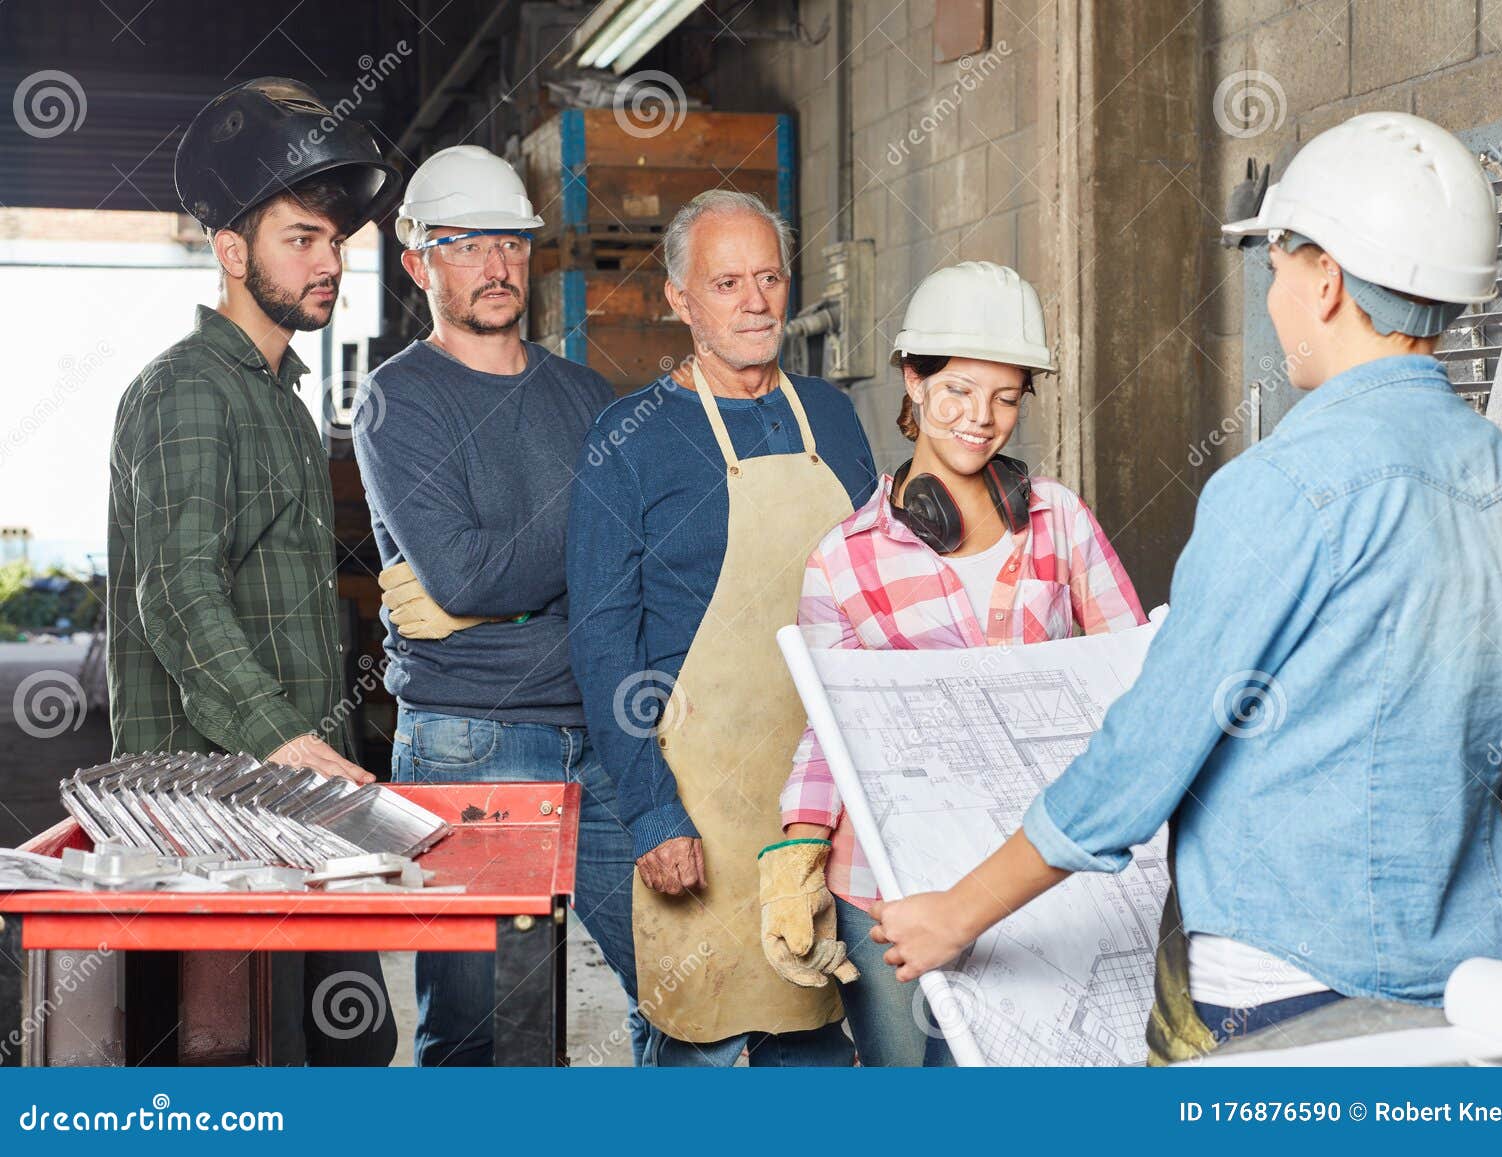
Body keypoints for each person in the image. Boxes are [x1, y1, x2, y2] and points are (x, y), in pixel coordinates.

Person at [869, 112, 1502, 1062]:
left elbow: (1143, 760)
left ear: (1326, 281)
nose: (1272, 294)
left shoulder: (1282, 484)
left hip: (1278, 1000)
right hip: (1459, 992)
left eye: (1276, 265)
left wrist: (957, 912)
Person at [765, 262, 1146, 1065]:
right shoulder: (845, 558)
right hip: (889, 878)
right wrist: (798, 852)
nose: (983, 419)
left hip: (1038, 871)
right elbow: (825, 726)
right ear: (914, 379)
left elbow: (1137, 676)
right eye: (960, 391)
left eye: (1007, 398)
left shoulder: (1060, 522)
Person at [108, 78, 404, 1064]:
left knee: (346, 1049)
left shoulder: (284, 399)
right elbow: (177, 593)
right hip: (205, 821)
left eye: (335, 240)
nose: (330, 262)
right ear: (231, 252)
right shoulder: (186, 391)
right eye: (301, 238)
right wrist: (282, 734)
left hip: (298, 813)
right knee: (219, 1069)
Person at [567, 190, 876, 1066]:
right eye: (727, 281)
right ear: (679, 299)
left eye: (769, 277)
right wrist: (654, 812)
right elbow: (601, 646)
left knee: (819, 1045)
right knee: (702, 1047)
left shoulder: (835, 417)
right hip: (701, 804)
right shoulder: (626, 442)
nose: (755, 301)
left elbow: (876, 592)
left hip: (826, 798)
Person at [350, 144, 644, 1066]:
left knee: (679, 981)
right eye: (467, 244)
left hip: (600, 730)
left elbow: (624, 572)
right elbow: (469, 575)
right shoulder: (401, 399)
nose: (496, 265)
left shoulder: (584, 391)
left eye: (511, 242)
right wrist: (587, 525)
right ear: (419, 263)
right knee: (484, 1032)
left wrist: (504, 602)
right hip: (469, 738)